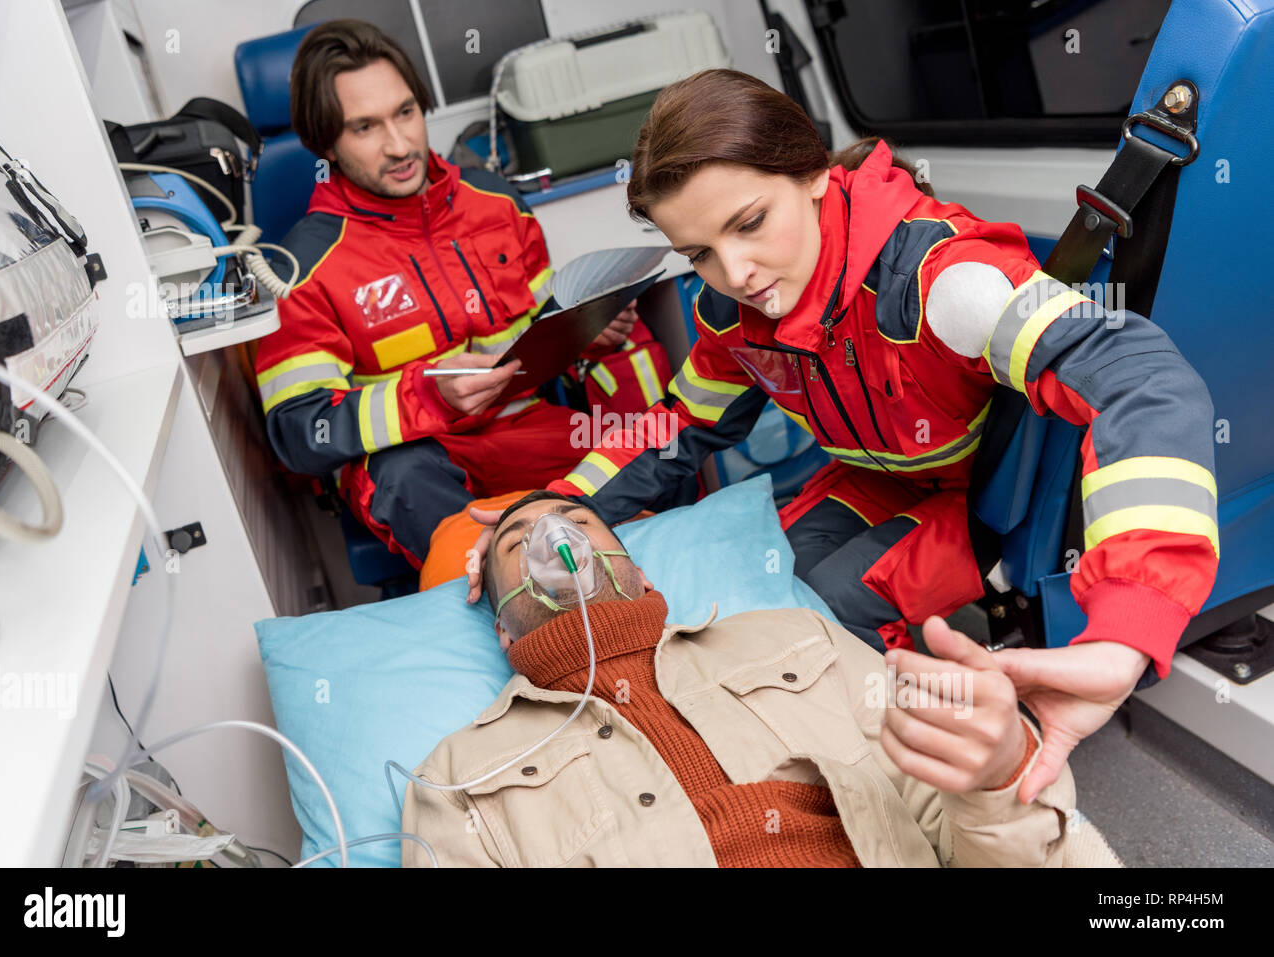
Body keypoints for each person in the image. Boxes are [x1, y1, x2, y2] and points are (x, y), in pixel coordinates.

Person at [464, 69, 1219, 804]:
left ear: (815, 174)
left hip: (976, 500)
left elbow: (1142, 377)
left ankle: (883, 801)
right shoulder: (734, 317)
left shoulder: (940, 284)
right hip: (875, 478)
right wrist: (548, 508)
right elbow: (679, 428)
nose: (735, 271)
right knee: (758, 598)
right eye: (698, 254)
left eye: (750, 222)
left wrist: (1126, 627)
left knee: (822, 604)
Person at [400, 491, 1075, 867]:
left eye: (577, 523)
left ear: (644, 576)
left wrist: (997, 775)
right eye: (519, 544)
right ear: (502, 633)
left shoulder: (794, 636)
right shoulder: (458, 776)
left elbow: (971, 836)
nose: (554, 540)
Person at [253, 19, 670, 576]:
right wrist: (431, 399)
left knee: (649, 451)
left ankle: (649, 584)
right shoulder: (301, 268)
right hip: (421, 462)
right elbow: (302, 434)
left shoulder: (497, 204)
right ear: (325, 141)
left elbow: (536, 328)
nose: (400, 146)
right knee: (408, 480)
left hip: (527, 426)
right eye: (365, 127)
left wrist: (589, 335)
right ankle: (507, 612)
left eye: (405, 113)